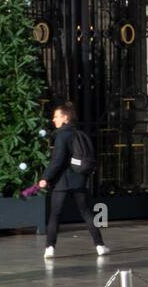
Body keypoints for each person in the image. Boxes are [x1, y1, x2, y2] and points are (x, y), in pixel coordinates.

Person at [38, 103, 109, 259]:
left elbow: (57, 161)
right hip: (79, 180)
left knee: (55, 215)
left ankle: (50, 247)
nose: (53, 119)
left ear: (65, 117)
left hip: (62, 182)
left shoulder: (61, 136)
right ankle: (100, 245)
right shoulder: (79, 134)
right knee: (86, 213)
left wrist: (45, 178)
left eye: (56, 116)